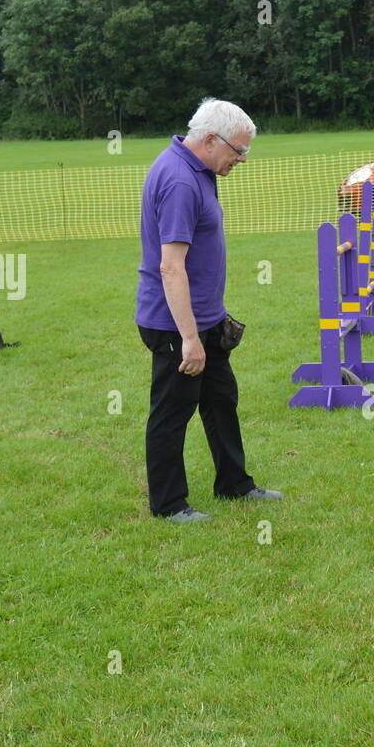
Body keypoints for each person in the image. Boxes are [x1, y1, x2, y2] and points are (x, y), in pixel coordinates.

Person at [136, 98, 282, 523]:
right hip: (175, 326)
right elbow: (170, 266)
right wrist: (189, 339)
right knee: (171, 413)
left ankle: (234, 484)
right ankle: (168, 505)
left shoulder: (198, 168)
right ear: (210, 140)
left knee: (221, 401)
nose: (242, 159)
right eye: (239, 151)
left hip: (205, 318)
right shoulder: (181, 180)